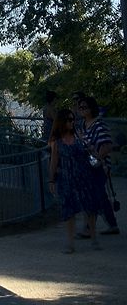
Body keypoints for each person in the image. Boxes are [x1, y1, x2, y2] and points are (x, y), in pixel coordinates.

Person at [48, 108, 99, 252]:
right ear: (62, 122)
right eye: (69, 120)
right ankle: (70, 243)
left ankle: (93, 237)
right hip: (67, 179)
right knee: (69, 210)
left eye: (73, 120)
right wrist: (51, 180)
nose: (72, 122)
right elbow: (53, 162)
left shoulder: (79, 137)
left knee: (89, 207)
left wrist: (89, 148)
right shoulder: (57, 142)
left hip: (83, 177)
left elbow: (91, 151)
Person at [78, 95, 120, 236]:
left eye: (84, 107)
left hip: (98, 167)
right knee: (98, 196)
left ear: (91, 109)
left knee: (95, 196)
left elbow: (107, 145)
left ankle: (90, 228)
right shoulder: (83, 125)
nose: (81, 110)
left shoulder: (98, 125)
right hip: (88, 167)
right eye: (80, 107)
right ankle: (111, 225)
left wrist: (97, 158)